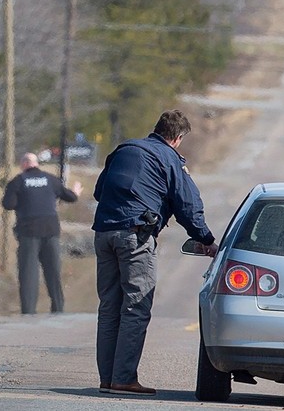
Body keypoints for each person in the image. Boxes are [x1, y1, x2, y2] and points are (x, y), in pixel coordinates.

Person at [92, 110, 218, 396]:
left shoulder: (124, 149)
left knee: (109, 307)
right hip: (135, 237)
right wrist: (206, 239)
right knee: (135, 307)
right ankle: (123, 379)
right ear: (177, 138)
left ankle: (108, 378)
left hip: (104, 233)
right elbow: (188, 205)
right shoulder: (169, 158)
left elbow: (100, 192)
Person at [2, 153, 82, 314]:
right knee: (53, 272)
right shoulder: (51, 179)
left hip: (29, 232)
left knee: (28, 274)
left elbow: (8, 204)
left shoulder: (18, 181)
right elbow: (70, 197)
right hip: (51, 231)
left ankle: (28, 312)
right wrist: (75, 192)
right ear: (36, 163)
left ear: (24, 164)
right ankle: (58, 310)